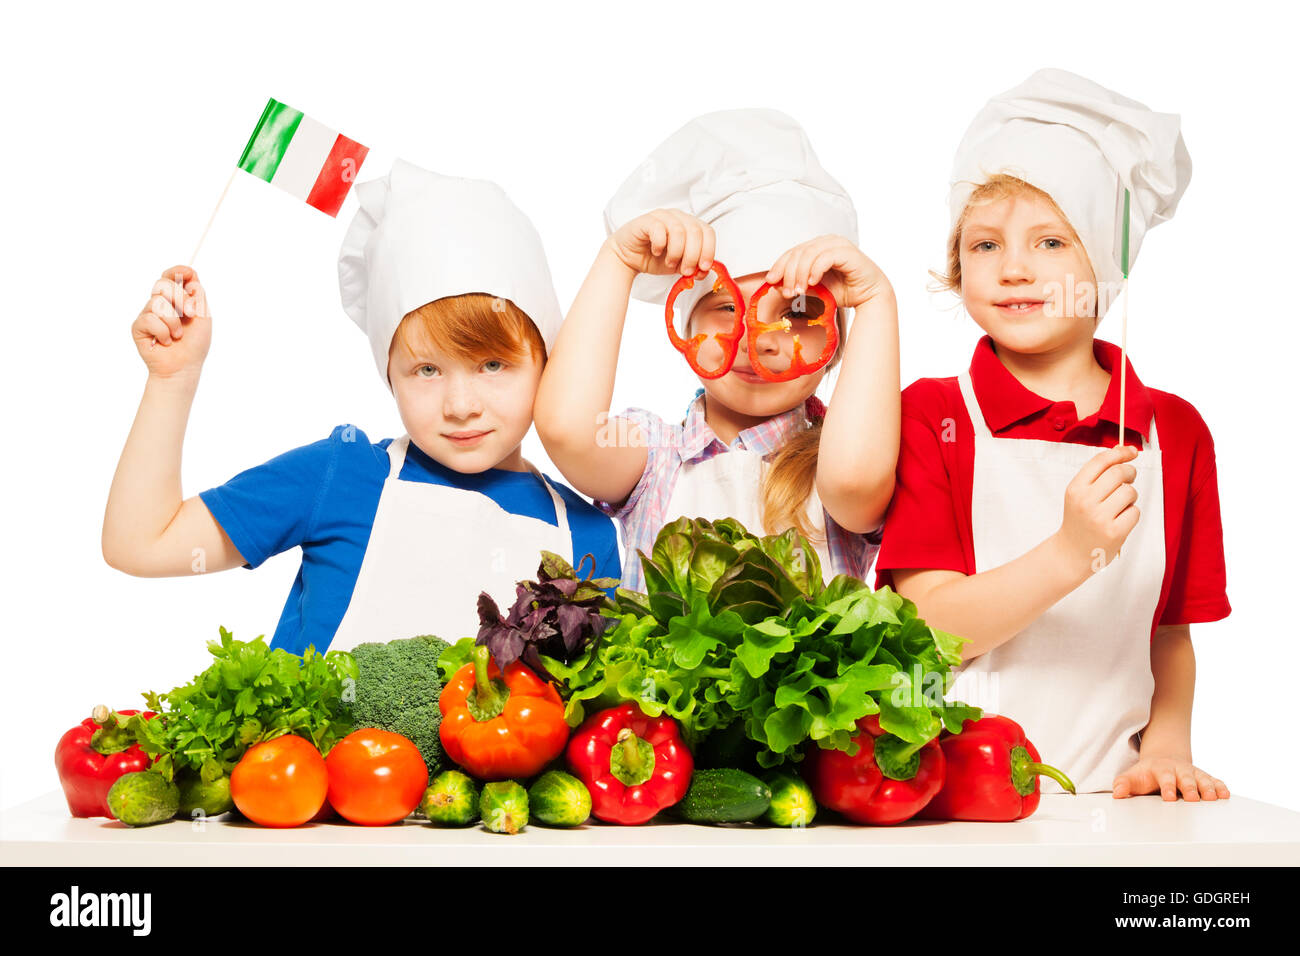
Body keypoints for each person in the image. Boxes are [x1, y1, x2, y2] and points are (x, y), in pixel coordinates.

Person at [872, 69, 1230, 800]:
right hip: (955, 803)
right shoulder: (930, 416)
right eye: (984, 246)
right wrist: (1072, 551)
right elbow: (930, 627)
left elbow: (1170, 631)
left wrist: (1165, 750)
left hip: (1117, 804)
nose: (1013, 270)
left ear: (1104, 259)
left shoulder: (1177, 433)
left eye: (1050, 241)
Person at [102, 159, 620, 654]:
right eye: (427, 370)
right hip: (305, 752)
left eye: (492, 366)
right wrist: (173, 379)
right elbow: (141, 545)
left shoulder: (588, 536)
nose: (461, 406)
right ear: (388, 373)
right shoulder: (340, 474)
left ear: (546, 361)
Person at [535, 109, 899, 592]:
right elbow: (566, 430)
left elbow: (854, 482)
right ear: (687, 325)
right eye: (725, 308)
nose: (755, 338)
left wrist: (876, 301)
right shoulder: (656, 457)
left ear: (835, 340)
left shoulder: (840, 461)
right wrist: (618, 261)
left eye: (794, 313)